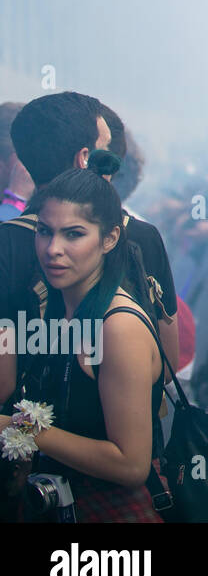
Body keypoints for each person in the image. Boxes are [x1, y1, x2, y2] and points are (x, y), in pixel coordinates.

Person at [1, 154, 164, 522]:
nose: (53, 248)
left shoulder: (118, 327)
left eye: (73, 234)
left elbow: (130, 464)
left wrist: (22, 428)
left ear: (109, 239)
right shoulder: (57, 300)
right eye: (44, 231)